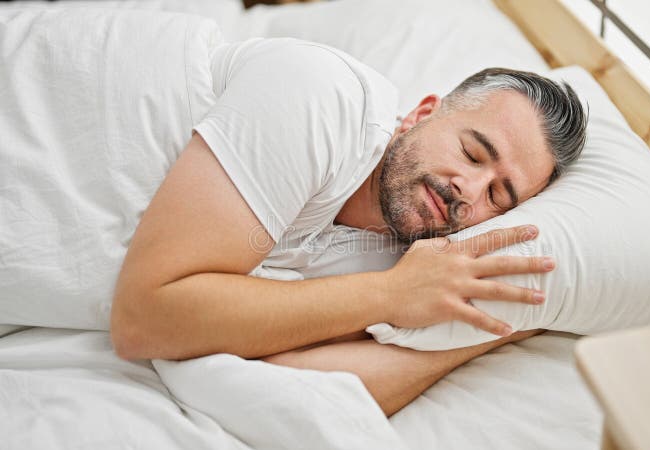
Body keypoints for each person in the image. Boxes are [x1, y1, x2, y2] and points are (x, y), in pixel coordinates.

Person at [110, 38, 587, 416]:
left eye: (497, 196)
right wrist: (389, 294)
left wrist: (502, 331)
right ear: (421, 115)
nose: (470, 189)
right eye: (471, 153)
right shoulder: (321, 97)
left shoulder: (402, 263)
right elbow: (144, 318)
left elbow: (292, 387)